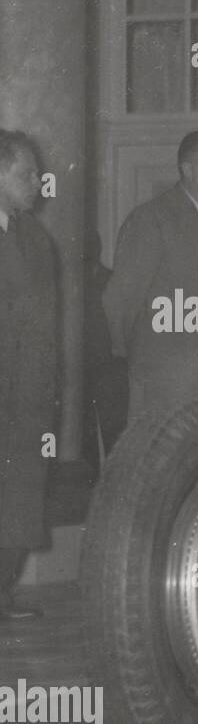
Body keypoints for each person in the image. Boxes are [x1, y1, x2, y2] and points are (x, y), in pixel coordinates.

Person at [103, 129, 198, 422]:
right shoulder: (151, 219)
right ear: (187, 169)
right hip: (167, 387)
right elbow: (119, 303)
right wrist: (147, 363)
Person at [0, 130, 58, 622]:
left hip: (27, 400)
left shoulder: (37, 238)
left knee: (18, 498)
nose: (38, 182)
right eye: (26, 174)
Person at [82, 228, 127, 465]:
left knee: (114, 435)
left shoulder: (112, 280)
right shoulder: (71, 285)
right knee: (85, 438)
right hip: (82, 372)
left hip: (110, 370)